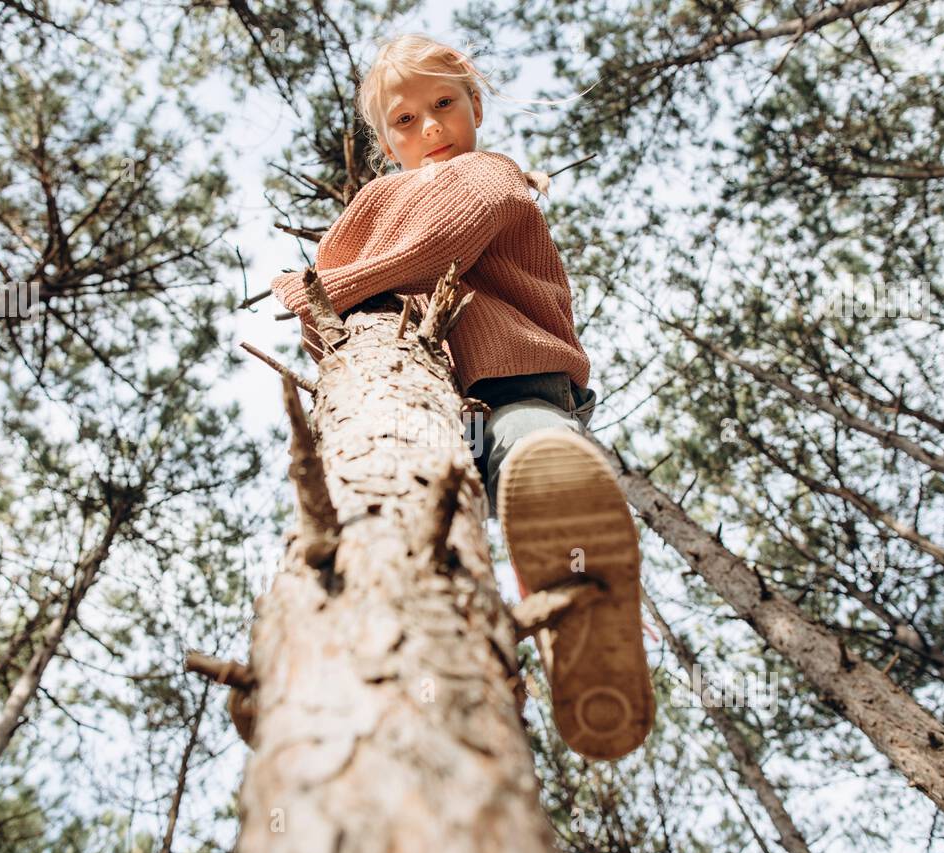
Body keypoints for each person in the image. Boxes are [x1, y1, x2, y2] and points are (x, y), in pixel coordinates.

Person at [269, 33, 655, 761]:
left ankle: (567, 507)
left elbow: (441, 241)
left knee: (527, 446)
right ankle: (490, 651)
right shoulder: (383, 195)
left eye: (443, 105)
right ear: (386, 141)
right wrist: (333, 318)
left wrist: (323, 290)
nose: (431, 129)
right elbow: (329, 322)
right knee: (439, 531)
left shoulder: (488, 172)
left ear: (474, 103)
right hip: (424, 405)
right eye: (405, 122)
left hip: (512, 368)